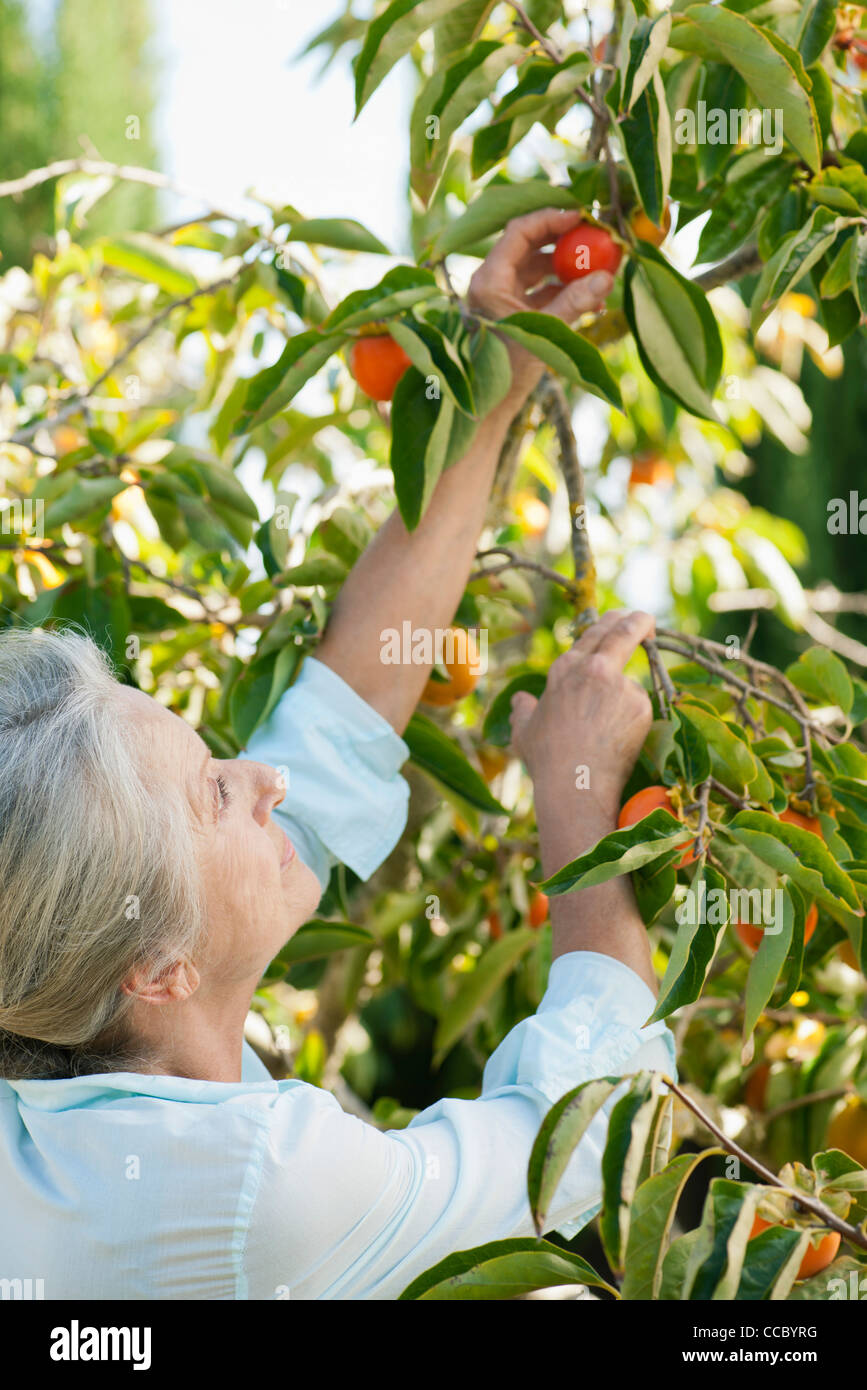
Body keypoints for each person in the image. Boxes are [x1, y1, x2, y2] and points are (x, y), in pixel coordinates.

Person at [0, 210, 674, 1300]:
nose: (264, 778)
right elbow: (589, 1122)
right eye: (216, 793)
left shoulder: (80, 1010)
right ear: (160, 969)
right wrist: (581, 795)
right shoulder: (259, 1196)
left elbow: (332, 729)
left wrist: (492, 384)